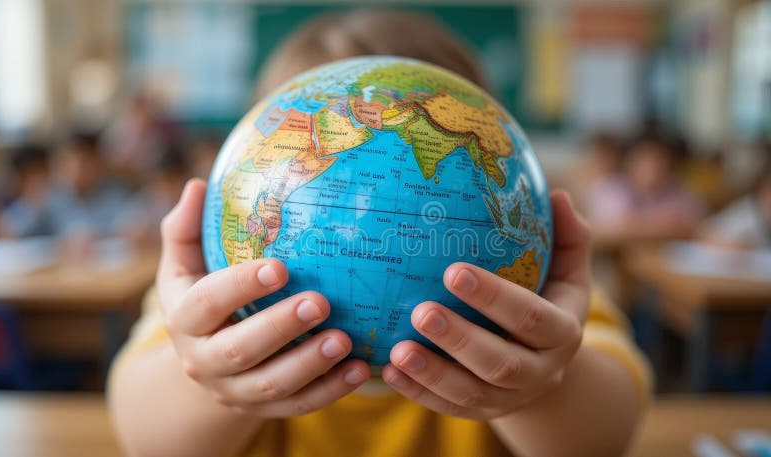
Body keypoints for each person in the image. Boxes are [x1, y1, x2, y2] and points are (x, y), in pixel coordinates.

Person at [108, 10, 651, 457]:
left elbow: (605, 434)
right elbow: (146, 435)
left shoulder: (534, 297)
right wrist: (210, 376)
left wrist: (540, 385)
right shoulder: (219, 303)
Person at [586, 136, 704, 245]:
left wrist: (636, 224)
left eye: (659, 166)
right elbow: (606, 230)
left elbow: (695, 226)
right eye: (645, 166)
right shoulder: (612, 188)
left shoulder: (678, 189)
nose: (653, 173)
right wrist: (663, 225)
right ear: (630, 165)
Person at [0, 143, 53, 238]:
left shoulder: (54, 194)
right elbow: (3, 232)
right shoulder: (8, 196)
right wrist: (32, 205)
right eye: (35, 172)